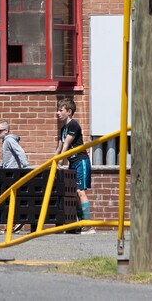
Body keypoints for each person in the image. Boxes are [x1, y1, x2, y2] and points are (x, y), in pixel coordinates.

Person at [56, 97, 94, 234]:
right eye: (58, 110)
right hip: (72, 162)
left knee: (80, 191)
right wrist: (54, 161)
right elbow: (59, 147)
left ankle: (88, 225)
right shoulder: (63, 129)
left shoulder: (73, 125)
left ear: (69, 111)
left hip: (81, 161)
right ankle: (79, 223)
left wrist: (60, 161)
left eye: (61, 110)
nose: (57, 113)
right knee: (73, 193)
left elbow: (66, 144)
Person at [0, 120, 30, 234]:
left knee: (9, 199)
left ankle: (16, 221)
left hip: (13, 173)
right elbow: (8, 157)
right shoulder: (5, 141)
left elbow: (20, 152)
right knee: (9, 199)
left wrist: (26, 166)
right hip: (8, 172)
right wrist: (0, 165)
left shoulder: (9, 140)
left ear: (6, 131)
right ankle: (12, 223)